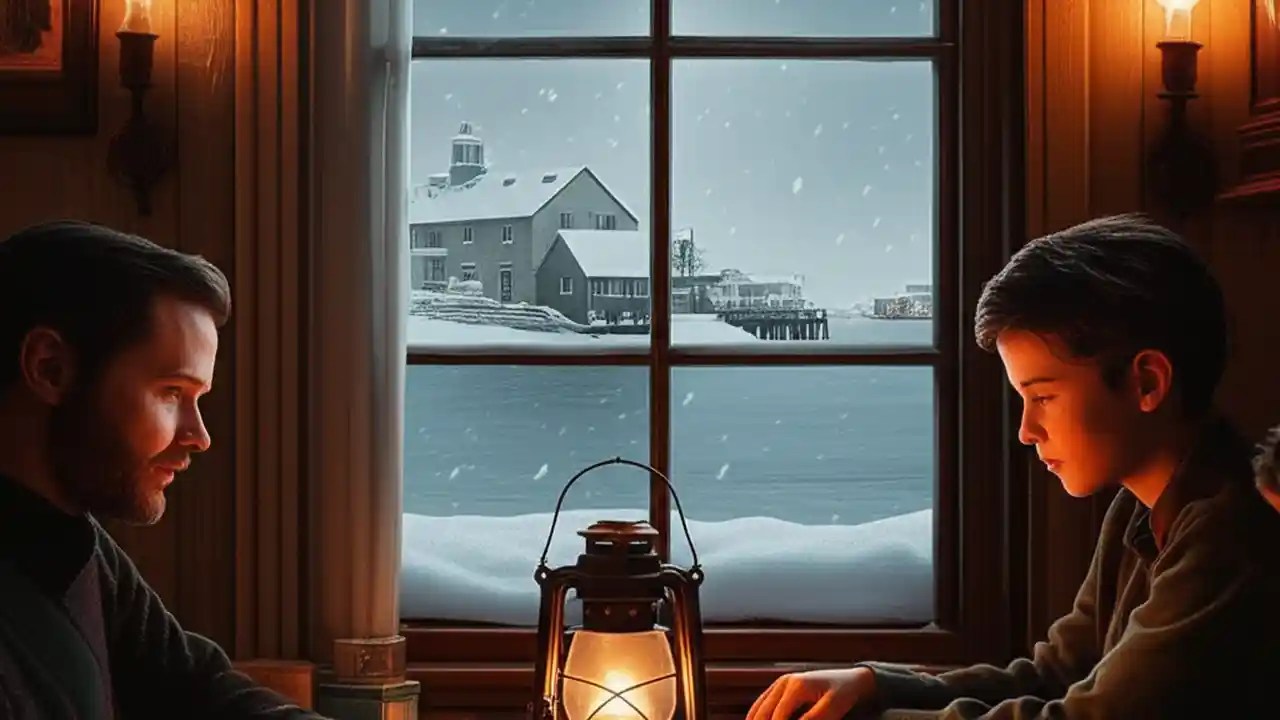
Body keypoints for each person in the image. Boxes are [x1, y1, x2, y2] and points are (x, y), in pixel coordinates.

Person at [745, 214, 1280, 719]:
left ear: (1147, 383)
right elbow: (1056, 674)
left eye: (1043, 397)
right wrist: (879, 683)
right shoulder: (1138, 506)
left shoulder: (1228, 535)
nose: (1026, 431)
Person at [0, 220, 330, 718]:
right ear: (50, 368)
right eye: (172, 393)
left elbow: (197, 686)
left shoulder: (73, 545)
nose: (199, 436)